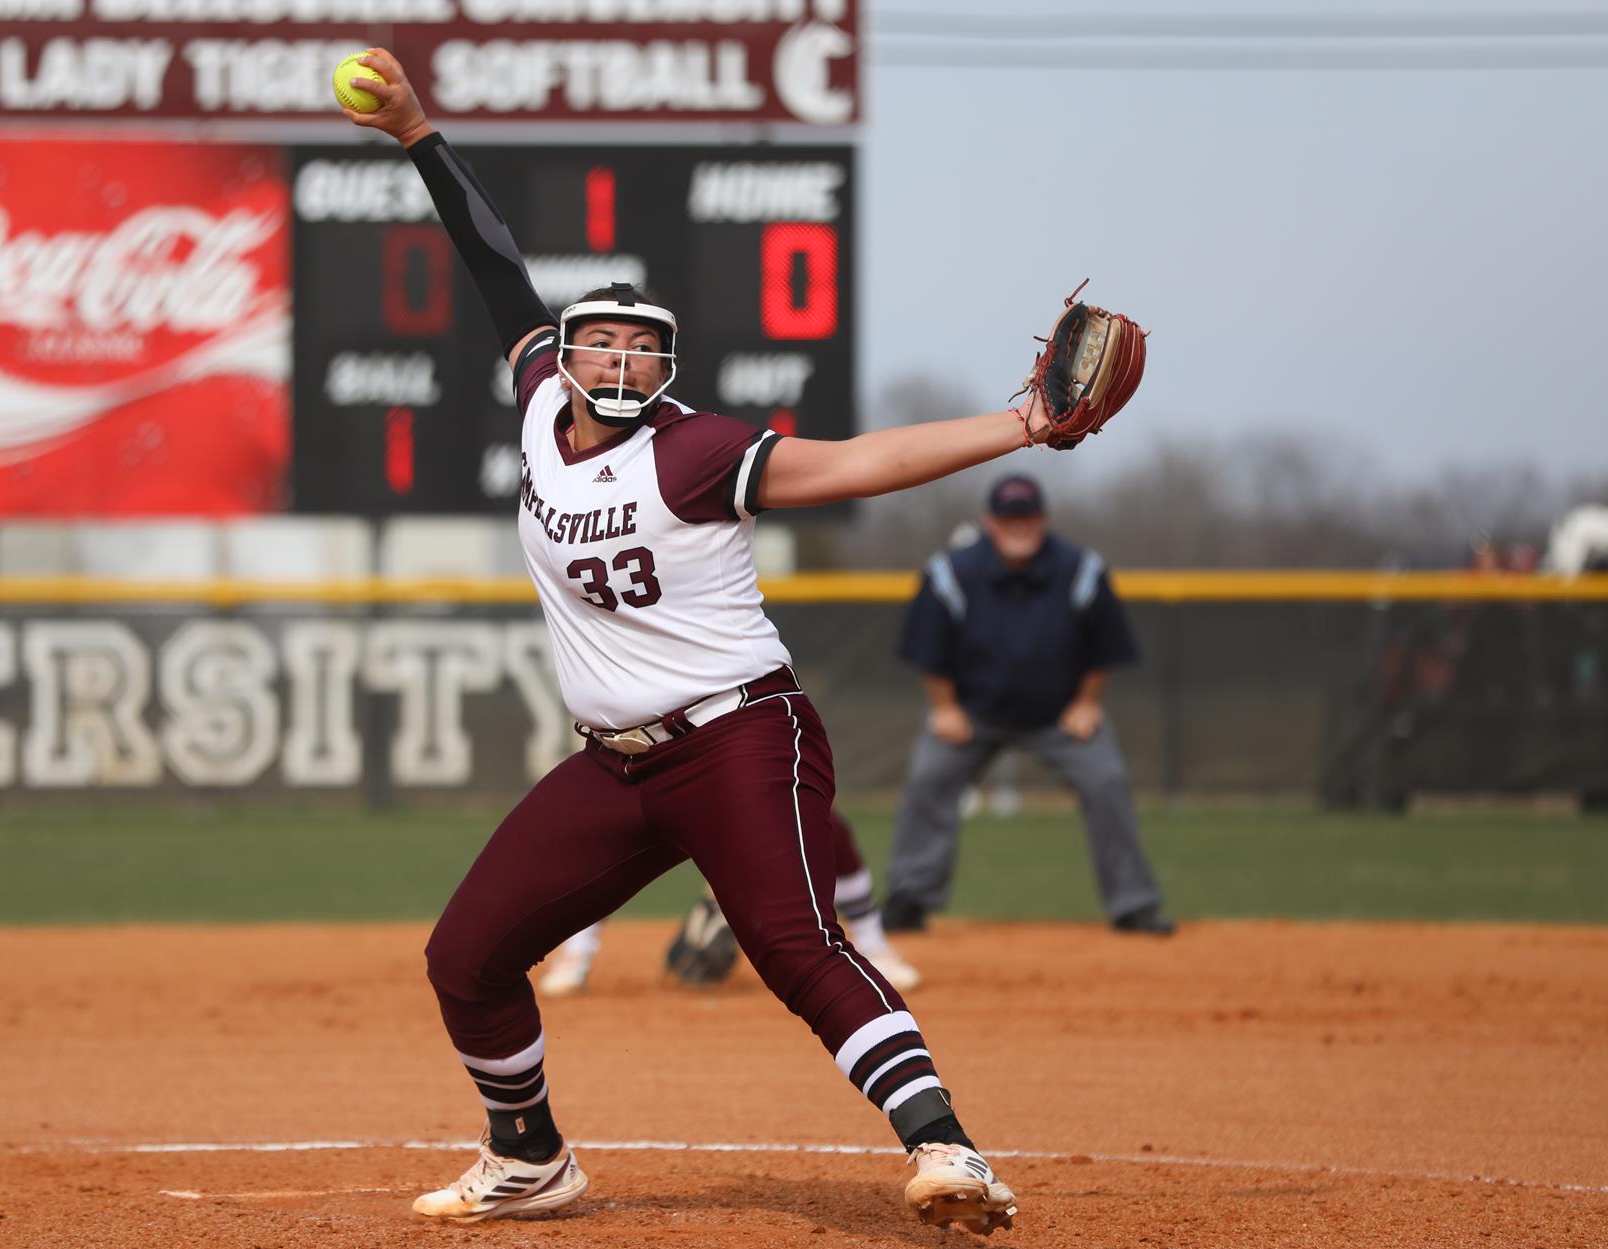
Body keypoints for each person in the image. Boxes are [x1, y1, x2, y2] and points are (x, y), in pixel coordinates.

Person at [339, 48, 1129, 1234]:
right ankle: (529, 1161)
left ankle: (949, 1153)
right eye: (597, 344)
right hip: (615, 762)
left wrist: (1018, 422)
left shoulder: (693, 447)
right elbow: (493, 265)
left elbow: (859, 461)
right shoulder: (542, 406)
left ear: (663, 368)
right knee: (467, 955)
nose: (614, 364)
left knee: (796, 948)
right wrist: (416, 136)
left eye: (638, 351)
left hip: (736, 739)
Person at [882, 474, 1173, 937]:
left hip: (1058, 715)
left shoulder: (1081, 570)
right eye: (1008, 518)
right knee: (928, 778)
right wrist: (944, 708)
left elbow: (1105, 649)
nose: (1019, 526)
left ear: (1044, 520)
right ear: (988, 521)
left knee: (1107, 780)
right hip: (972, 712)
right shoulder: (952, 572)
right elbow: (928, 649)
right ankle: (909, 900)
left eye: (1027, 517)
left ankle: (1133, 905)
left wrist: (1087, 703)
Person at [537, 808, 923, 995]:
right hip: (655, 751)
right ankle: (577, 953)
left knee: (824, 823)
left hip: (724, 743)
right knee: (615, 841)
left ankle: (874, 947)